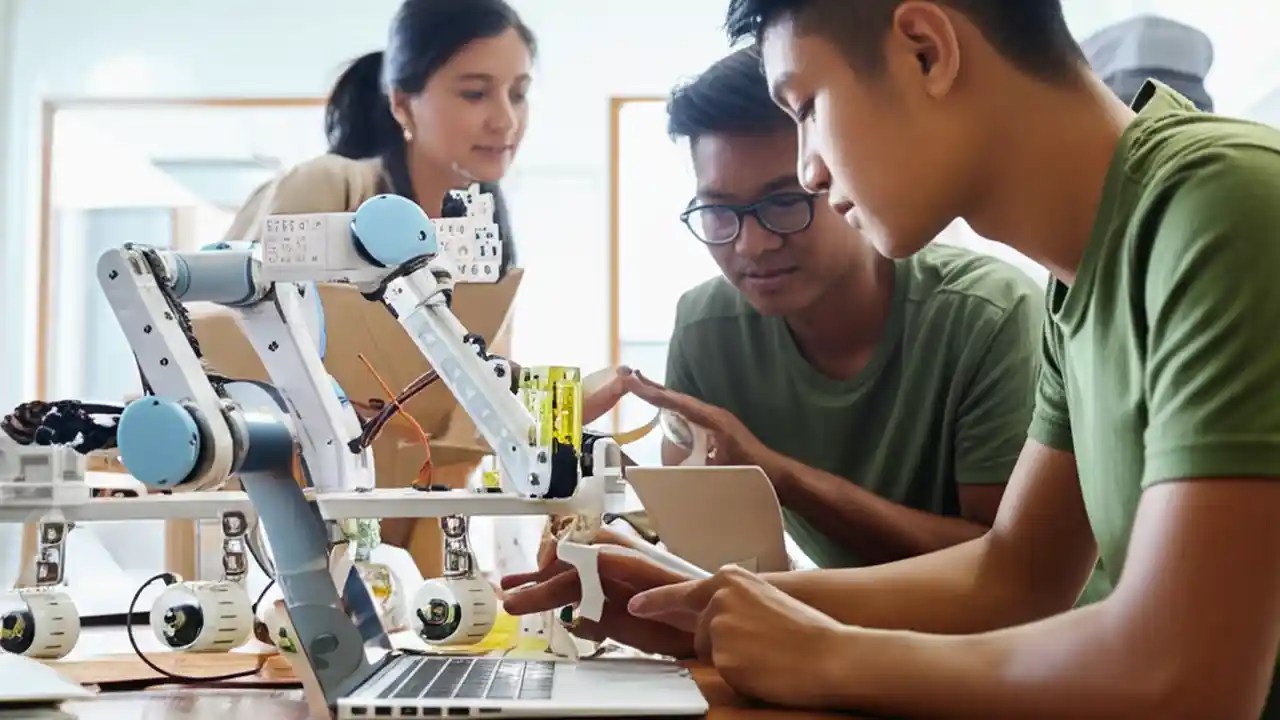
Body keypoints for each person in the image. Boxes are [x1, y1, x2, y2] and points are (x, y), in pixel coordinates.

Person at [514, 1, 1280, 717]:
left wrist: (832, 660)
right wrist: (710, 600)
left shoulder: (1223, 204)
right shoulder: (1078, 275)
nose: (811, 169)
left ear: (926, 50)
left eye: (807, 108)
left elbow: (1187, 677)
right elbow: (1013, 577)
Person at [512, 44, 1043, 584]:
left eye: (784, 202)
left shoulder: (989, 316)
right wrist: (614, 531)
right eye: (718, 211)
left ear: (839, 176)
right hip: (851, 637)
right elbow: (702, 550)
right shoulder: (705, 329)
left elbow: (1008, 571)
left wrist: (779, 476)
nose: (753, 244)